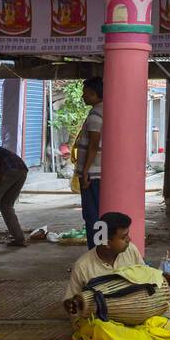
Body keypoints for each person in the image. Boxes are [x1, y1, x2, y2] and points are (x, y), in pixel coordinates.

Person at [63, 210, 170, 340]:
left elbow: (144, 275)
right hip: (106, 322)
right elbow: (70, 304)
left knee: (162, 316)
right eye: (124, 237)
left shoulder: (131, 250)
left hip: (135, 316)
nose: (129, 239)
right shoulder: (83, 265)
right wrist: (71, 305)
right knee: (99, 329)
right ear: (107, 243)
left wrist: (162, 276)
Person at [74, 76, 103, 250]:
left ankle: (96, 251)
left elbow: (93, 144)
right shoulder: (107, 110)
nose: (83, 97)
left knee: (92, 215)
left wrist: (85, 171)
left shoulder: (95, 115)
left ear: (93, 94)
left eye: (85, 93)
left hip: (93, 173)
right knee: (98, 213)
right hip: (99, 172)